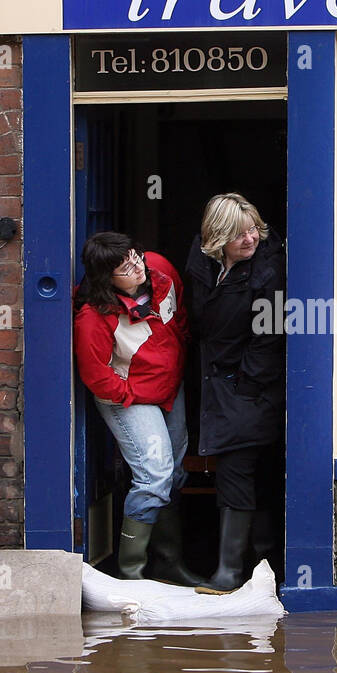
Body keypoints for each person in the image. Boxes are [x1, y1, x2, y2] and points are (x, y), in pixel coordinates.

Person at [73, 232, 205, 586]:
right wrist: (129, 396)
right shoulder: (93, 317)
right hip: (128, 397)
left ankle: (169, 563)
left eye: (135, 256)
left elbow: (180, 320)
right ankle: (131, 574)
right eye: (125, 267)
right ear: (106, 279)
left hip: (169, 388)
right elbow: (96, 375)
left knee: (174, 474)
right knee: (154, 475)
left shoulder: (160, 269)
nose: (137, 267)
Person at [185, 193, 286, 592]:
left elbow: (270, 337)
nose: (250, 239)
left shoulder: (269, 272)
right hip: (211, 382)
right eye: (239, 234)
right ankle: (252, 566)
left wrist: (247, 384)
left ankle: (232, 571)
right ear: (216, 237)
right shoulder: (203, 261)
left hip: (248, 387)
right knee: (239, 470)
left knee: (237, 469)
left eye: (254, 230)